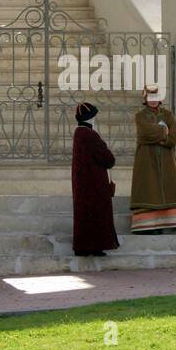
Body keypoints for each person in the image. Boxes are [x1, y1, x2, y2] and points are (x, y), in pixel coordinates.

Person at [130, 84, 176, 234]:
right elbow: (145, 133)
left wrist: (165, 138)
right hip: (147, 159)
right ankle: (146, 226)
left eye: (156, 97)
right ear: (145, 98)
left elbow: (174, 134)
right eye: (150, 97)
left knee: (173, 189)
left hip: (167, 159)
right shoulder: (140, 116)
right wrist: (164, 131)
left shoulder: (168, 115)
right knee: (149, 190)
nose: (153, 101)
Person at [71, 102, 119, 257]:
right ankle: (96, 246)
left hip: (83, 182)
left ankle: (83, 247)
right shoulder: (89, 134)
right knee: (97, 212)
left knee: (84, 214)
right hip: (94, 183)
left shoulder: (79, 133)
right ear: (90, 117)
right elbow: (107, 158)